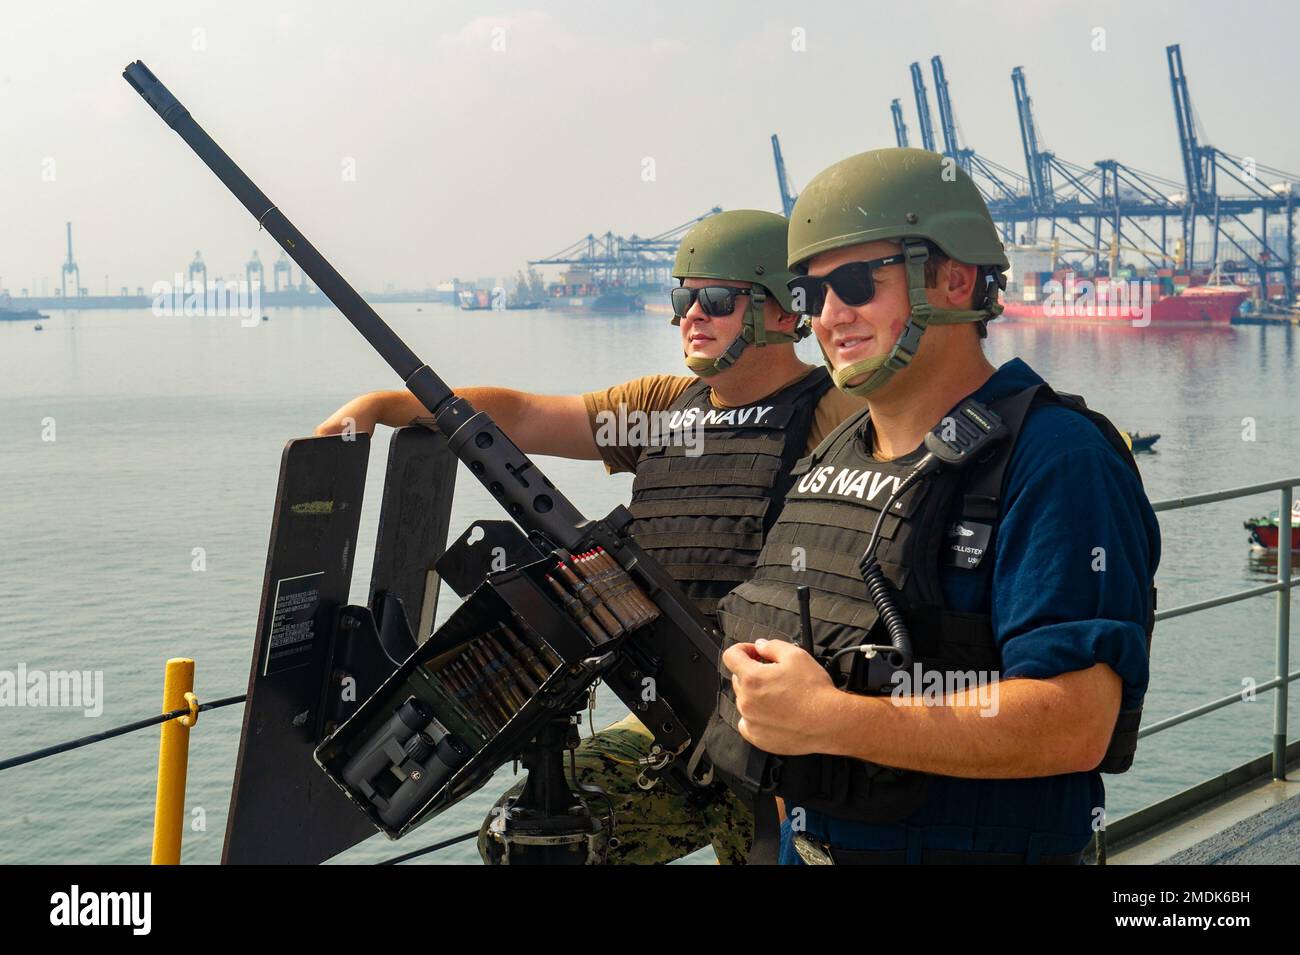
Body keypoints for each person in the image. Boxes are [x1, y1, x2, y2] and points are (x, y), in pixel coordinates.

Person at [316, 210, 866, 863]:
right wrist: (384, 405)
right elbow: (524, 417)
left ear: (786, 310)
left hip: (789, 747)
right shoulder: (664, 406)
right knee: (531, 838)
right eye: (683, 297)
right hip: (686, 733)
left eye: (716, 299)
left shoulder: (835, 414)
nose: (692, 315)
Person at [703, 148, 1161, 865]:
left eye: (856, 282)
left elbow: (1076, 722)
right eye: (810, 294)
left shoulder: (1058, 460)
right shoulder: (834, 453)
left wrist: (829, 718)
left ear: (954, 278)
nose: (829, 315)